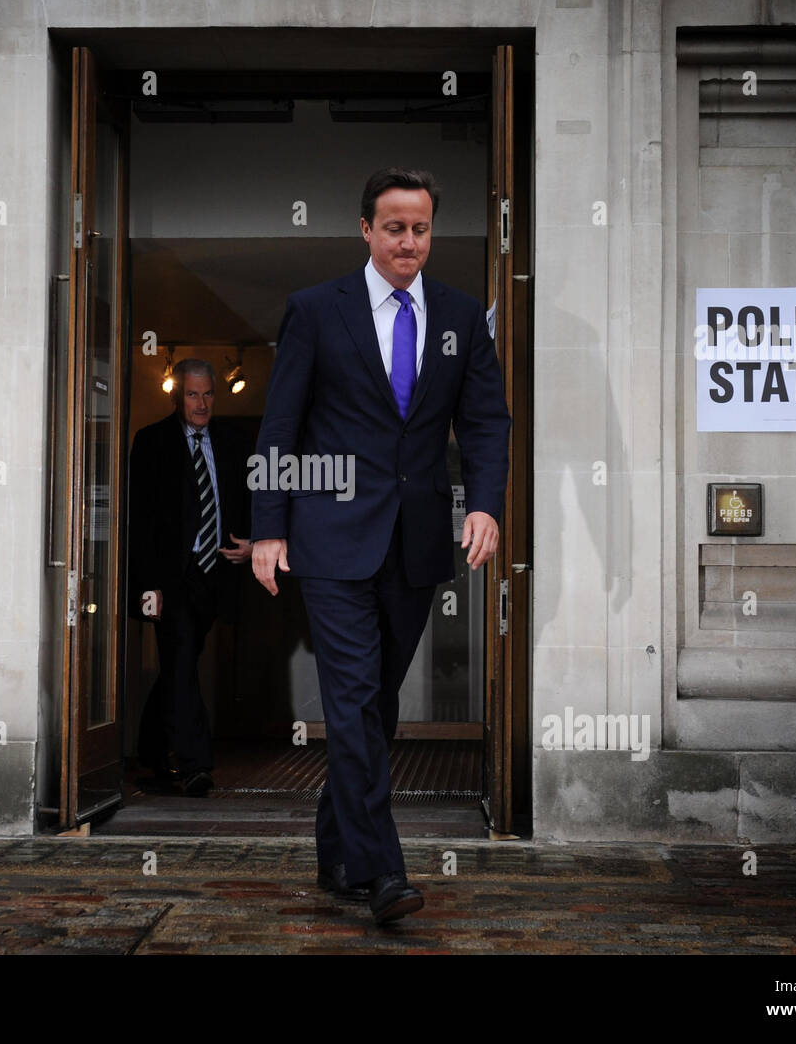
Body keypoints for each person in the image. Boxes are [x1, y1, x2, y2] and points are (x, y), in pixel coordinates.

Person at [251, 168, 511, 923]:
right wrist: (269, 527)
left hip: (417, 544)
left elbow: (489, 424)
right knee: (356, 700)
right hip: (330, 541)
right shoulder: (315, 311)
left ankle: (336, 852)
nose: (408, 241)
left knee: (378, 709)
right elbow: (281, 428)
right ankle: (381, 873)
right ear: (366, 230)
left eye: (420, 228)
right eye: (393, 227)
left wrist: (486, 506)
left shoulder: (463, 316)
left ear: (433, 232)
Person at [127, 359, 252, 796]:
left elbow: (247, 500)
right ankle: (197, 764)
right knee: (180, 660)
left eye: (208, 394)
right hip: (170, 578)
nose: (201, 404)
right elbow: (139, 522)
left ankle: (150, 749)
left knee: (180, 665)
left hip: (215, 573)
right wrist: (147, 586)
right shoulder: (151, 442)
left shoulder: (233, 442)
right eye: (193, 395)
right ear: (177, 397)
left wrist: (254, 543)